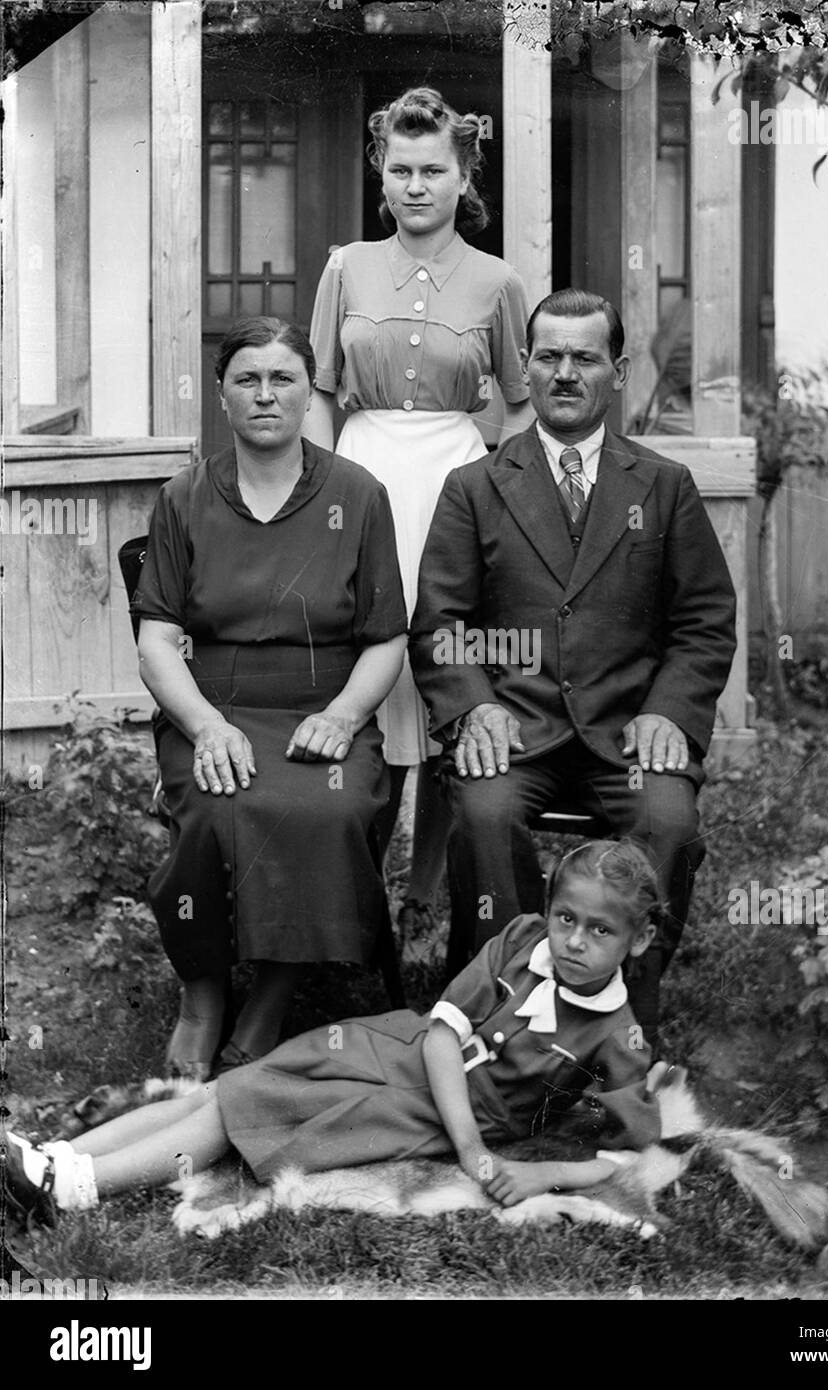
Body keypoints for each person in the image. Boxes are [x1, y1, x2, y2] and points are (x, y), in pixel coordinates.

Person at [5, 841, 667, 1226]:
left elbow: (635, 1158)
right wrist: (472, 1155)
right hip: (405, 1047)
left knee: (248, 1109)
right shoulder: (523, 937)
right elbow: (442, 1033)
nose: (573, 941)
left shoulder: (617, 1035)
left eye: (600, 930)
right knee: (233, 1086)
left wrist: (534, 1173)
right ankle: (54, 1156)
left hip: (431, 1109)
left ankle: (69, 1189)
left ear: (640, 939)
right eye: (565, 918)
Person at [410, 289, 738, 1027]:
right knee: (484, 814)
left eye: (583, 358)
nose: (564, 373)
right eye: (548, 357)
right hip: (517, 733)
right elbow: (440, 623)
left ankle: (621, 1018)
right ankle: (503, 1013)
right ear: (522, 369)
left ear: (615, 372)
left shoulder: (661, 486)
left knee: (668, 822)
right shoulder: (476, 486)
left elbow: (705, 621)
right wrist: (475, 707)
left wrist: (668, 713)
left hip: (625, 734)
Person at [131, 317, 408, 1079]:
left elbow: (386, 637)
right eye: (246, 379)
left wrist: (345, 717)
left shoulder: (356, 494)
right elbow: (157, 641)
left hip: (322, 710)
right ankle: (204, 996)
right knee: (216, 807)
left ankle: (272, 998)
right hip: (212, 708)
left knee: (330, 808)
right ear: (221, 396)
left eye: (282, 378)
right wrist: (206, 726)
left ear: (306, 393)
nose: (264, 394)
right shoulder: (184, 497)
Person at [303, 86, 533, 953]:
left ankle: (428, 895)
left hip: (454, 484)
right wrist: (328, 491)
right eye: (399, 169)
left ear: (462, 173)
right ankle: (353, 885)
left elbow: (517, 403)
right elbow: (321, 390)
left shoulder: (497, 281)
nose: (414, 185)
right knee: (364, 669)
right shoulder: (346, 268)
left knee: (445, 672)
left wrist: (492, 488)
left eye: (432, 169)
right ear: (380, 172)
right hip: (360, 478)